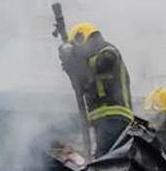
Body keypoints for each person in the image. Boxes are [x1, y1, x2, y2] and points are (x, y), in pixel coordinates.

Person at [57, 22, 134, 157]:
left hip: (116, 115)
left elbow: (103, 62)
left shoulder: (107, 49)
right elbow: (80, 86)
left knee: (104, 158)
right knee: (108, 157)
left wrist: (76, 58)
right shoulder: (88, 60)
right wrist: (70, 66)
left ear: (82, 38)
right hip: (102, 119)